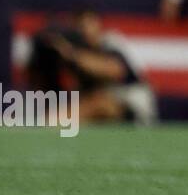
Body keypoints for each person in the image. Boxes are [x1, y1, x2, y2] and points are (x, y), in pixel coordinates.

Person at [26, 11, 155, 123]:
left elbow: (114, 70)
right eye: (80, 27)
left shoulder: (109, 42)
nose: (85, 30)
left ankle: (45, 123)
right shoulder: (79, 50)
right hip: (102, 111)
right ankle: (44, 121)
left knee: (99, 102)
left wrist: (71, 54)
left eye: (88, 24)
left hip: (133, 107)